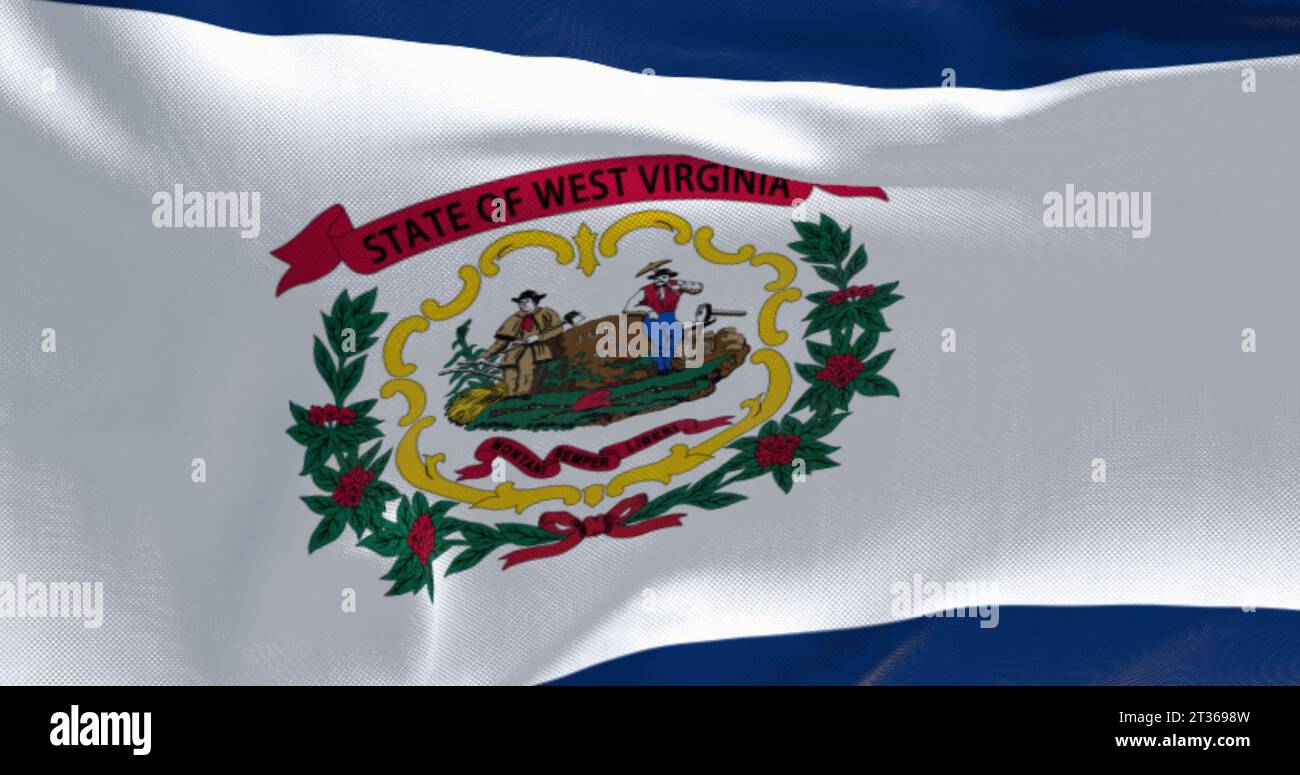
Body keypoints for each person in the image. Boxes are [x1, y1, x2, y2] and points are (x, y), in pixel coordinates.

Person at [480, 290, 564, 397]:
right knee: (508, 370)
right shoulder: (514, 318)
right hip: (515, 349)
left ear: (534, 301)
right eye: (521, 302)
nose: (524, 304)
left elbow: (556, 329)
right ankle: (511, 395)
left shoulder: (546, 313)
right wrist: (485, 356)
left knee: (526, 369)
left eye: (527, 301)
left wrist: (538, 337)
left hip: (534, 348)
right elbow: (501, 341)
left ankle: (523, 394)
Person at [623, 261, 703, 373]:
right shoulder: (646, 290)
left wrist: (684, 285)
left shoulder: (676, 285)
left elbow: (698, 288)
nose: (660, 280)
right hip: (653, 319)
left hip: (670, 318)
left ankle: (668, 364)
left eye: (664, 277)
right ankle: (661, 367)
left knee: (675, 339)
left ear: (669, 277)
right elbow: (628, 307)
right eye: (656, 278)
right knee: (659, 343)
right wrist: (648, 310)